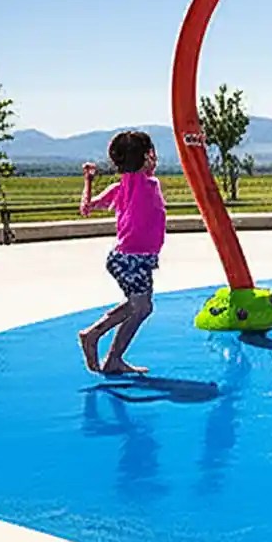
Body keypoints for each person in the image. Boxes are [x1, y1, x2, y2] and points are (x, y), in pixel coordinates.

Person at [77, 130, 167, 375]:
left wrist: (89, 180)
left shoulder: (120, 187)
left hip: (128, 259)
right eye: (152, 154)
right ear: (147, 157)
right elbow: (143, 175)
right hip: (132, 260)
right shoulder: (149, 184)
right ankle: (93, 335)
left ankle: (113, 358)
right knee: (141, 306)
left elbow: (85, 208)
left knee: (140, 306)